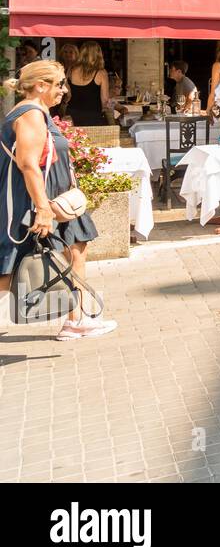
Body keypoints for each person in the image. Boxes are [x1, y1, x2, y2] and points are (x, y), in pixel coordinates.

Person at [0, 61, 117, 340]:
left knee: (76, 249)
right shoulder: (30, 114)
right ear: (41, 86)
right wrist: (42, 209)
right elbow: (28, 164)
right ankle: (76, 320)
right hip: (37, 200)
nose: (64, 90)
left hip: (53, 198)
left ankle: (76, 320)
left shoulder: (37, 112)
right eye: (59, 84)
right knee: (11, 268)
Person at [64, 42, 109, 127]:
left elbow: (68, 94)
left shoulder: (70, 69)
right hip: (93, 115)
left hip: (72, 114)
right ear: (98, 54)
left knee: (73, 139)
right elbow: (105, 100)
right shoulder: (101, 73)